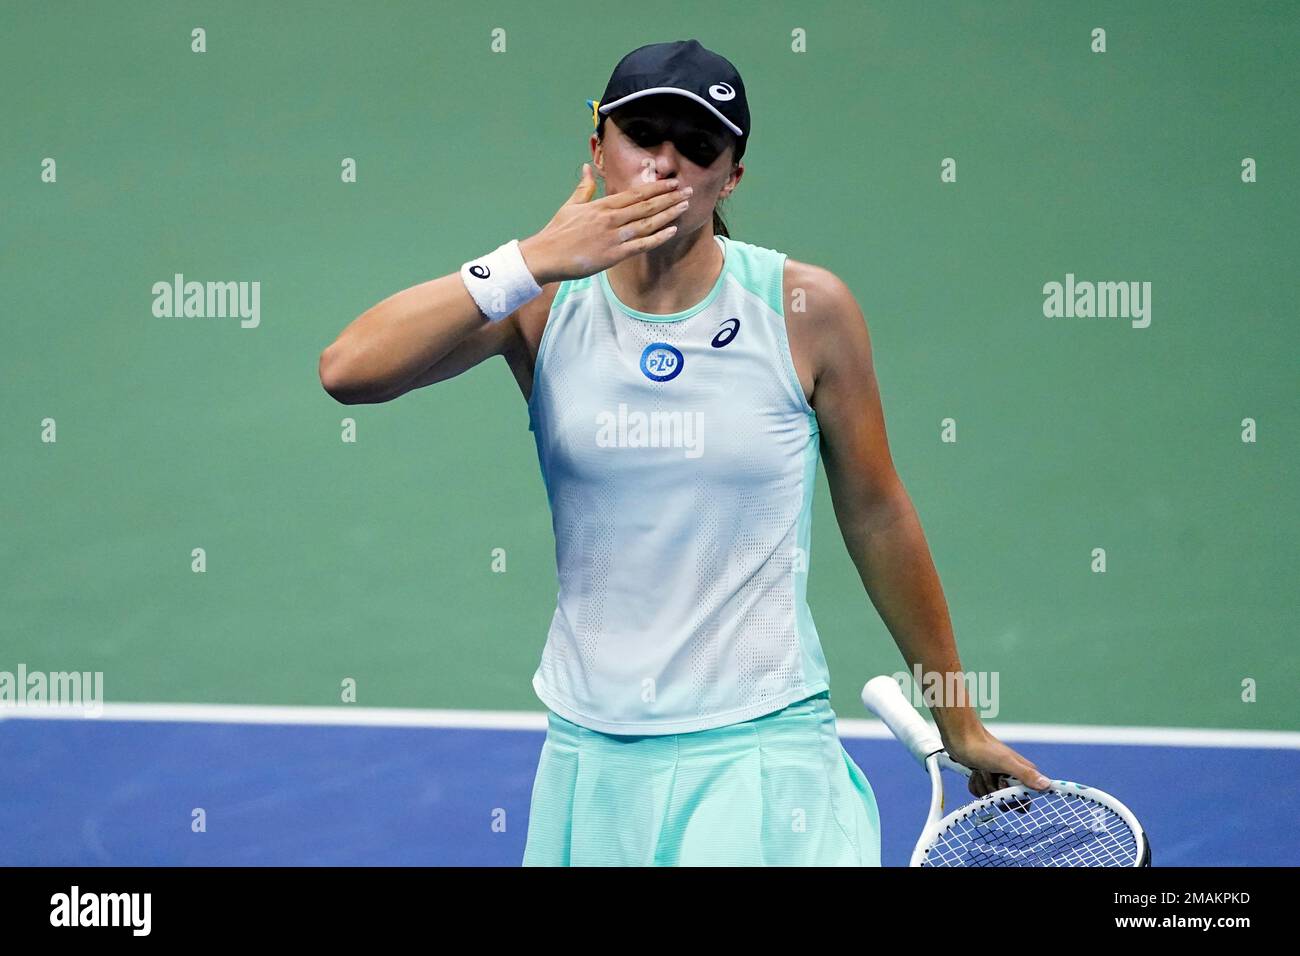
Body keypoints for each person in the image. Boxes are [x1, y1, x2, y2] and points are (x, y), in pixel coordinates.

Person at [318, 39, 1051, 866]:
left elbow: (878, 512)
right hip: (591, 756)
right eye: (643, 136)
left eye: (698, 146)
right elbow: (349, 371)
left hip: (759, 753)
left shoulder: (804, 307)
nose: (665, 165)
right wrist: (529, 261)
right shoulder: (543, 301)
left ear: (731, 176)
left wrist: (959, 716)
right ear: (598, 147)